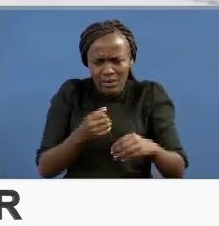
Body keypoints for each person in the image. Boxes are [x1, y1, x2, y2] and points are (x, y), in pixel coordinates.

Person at [35, 19, 189, 179]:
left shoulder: (149, 94)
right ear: (87, 63)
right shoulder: (72, 92)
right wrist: (79, 136)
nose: (108, 70)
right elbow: (46, 168)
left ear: (131, 60)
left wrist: (153, 149)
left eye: (117, 61)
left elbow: (177, 170)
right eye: (99, 62)